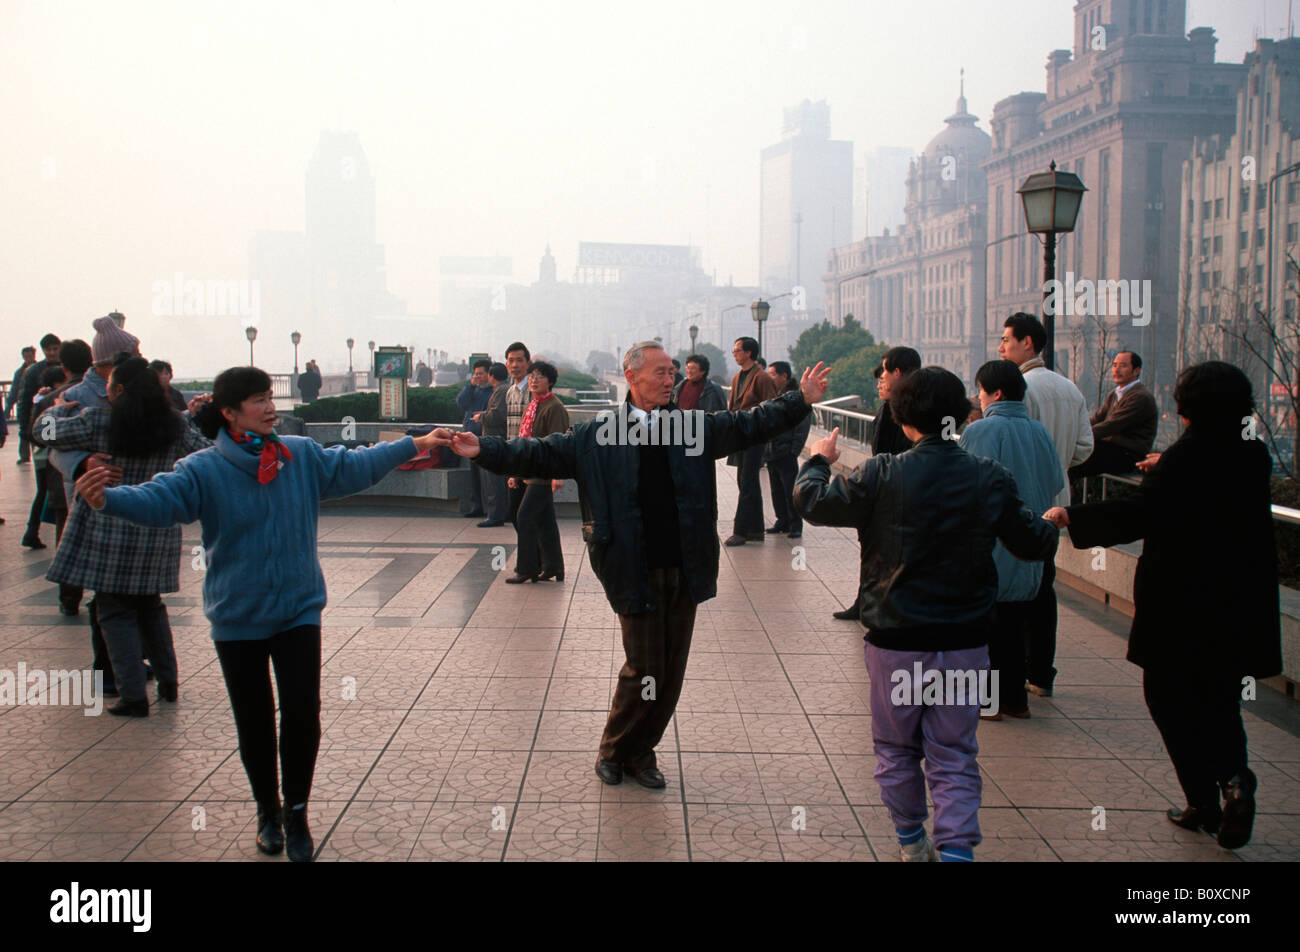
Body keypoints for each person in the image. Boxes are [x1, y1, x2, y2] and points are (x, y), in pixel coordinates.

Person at [75, 366, 439, 862]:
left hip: (297, 611)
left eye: (270, 397)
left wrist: (415, 443)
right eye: (257, 400)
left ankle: (297, 812)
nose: (270, 407)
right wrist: (107, 499)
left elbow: (355, 464)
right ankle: (267, 812)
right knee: (254, 722)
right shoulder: (204, 469)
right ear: (229, 413)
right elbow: (159, 499)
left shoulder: (299, 455)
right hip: (237, 617)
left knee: (302, 716)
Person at [434, 342, 829, 788]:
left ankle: (642, 752)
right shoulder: (599, 434)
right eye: (660, 373)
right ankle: (615, 747)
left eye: (673, 373)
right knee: (643, 666)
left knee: (671, 670)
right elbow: (536, 453)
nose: (670, 381)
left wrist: (801, 398)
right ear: (632, 375)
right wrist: (481, 449)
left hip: (685, 564)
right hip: (630, 565)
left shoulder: (691, 428)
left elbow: (750, 423)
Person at [795, 366, 1057, 862]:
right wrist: (1051, 521)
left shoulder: (881, 473)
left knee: (896, 751)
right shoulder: (989, 477)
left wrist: (817, 461)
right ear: (959, 415)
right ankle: (957, 852)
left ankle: (912, 842)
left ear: (900, 415)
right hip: (964, 642)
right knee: (954, 755)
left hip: (896, 641)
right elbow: (1033, 543)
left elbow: (813, 502)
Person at [1045, 362, 1280, 850]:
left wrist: (1075, 516)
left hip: (1182, 601)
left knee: (1167, 696)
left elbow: (1143, 514)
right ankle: (1236, 780)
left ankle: (1202, 800)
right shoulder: (1252, 454)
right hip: (1237, 601)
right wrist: (1164, 468)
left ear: (1187, 404)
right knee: (1220, 700)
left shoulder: (1185, 459)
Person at [35, 357, 211, 716]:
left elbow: (42, 433)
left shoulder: (98, 419)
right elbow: (204, 452)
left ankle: (133, 695)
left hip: (108, 531)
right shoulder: (175, 425)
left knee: (113, 611)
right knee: (151, 607)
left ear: (116, 390)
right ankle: (169, 681)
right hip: (156, 527)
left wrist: (54, 410)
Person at [958, 359, 1064, 720]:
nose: (979, 397)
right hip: (1032, 538)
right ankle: (1016, 701)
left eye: (981, 390)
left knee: (989, 626)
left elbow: (969, 488)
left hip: (994, 544)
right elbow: (1055, 483)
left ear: (996, 393)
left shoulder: (983, 430)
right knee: (1017, 623)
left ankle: (989, 704)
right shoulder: (1039, 430)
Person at [997, 312, 1093, 698]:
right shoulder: (1070, 389)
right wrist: (1060, 458)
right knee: (1044, 587)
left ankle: (1014, 676)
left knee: (1015, 591)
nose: (1001, 347)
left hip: (1022, 503)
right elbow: (1085, 448)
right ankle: (1041, 671)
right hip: (1057, 505)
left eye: (1007, 340)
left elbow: (1016, 441)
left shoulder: (1018, 388)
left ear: (1029, 344)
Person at [832, 346, 920, 621]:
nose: (880, 380)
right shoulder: (891, 406)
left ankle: (875, 604)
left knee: (886, 551)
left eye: (883, 373)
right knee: (875, 549)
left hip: (894, 488)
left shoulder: (909, 408)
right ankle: (866, 601)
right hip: (887, 486)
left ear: (896, 372)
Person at [505, 361, 569, 583]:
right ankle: (554, 566)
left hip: (543, 474)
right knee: (545, 521)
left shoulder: (555, 407)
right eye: (531, 376)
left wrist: (557, 476)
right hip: (529, 471)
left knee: (524, 517)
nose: (533, 380)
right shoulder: (532, 405)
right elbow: (524, 441)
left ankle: (527, 568)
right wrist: (515, 472)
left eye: (539, 376)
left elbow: (560, 444)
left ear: (550, 381)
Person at [1068, 351, 1158, 481]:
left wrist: (1079, 435)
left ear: (1136, 370)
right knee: (1070, 454)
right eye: (1115, 365)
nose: (1117, 370)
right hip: (1111, 448)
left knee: (1075, 456)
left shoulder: (1140, 397)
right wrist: (1075, 431)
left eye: (1123, 365)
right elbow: (1096, 419)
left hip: (1128, 454)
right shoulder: (1115, 394)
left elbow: (1111, 425)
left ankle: (1067, 495)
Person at [725, 336, 779, 546]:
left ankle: (741, 530)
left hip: (755, 436)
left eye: (737, 350)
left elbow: (772, 407)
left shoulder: (762, 378)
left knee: (747, 481)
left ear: (748, 353)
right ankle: (756, 529)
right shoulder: (738, 377)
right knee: (745, 481)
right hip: (741, 435)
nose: (735, 354)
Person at [20, 365, 67, 551]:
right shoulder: (49, 400)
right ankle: (32, 531)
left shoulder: (43, 399)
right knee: (46, 495)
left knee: (44, 494)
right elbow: (47, 438)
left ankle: (32, 531)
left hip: (43, 456)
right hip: (48, 458)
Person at [763, 361, 812, 539]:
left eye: (773, 374)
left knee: (789, 490)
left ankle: (795, 524)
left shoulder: (794, 397)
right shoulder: (773, 394)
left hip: (786, 451)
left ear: (784, 376)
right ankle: (782, 521)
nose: (770, 377)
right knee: (776, 490)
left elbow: (802, 426)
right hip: (772, 451)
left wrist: (794, 450)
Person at [473, 362, 510, 527]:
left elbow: (497, 415)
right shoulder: (504, 389)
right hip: (497, 440)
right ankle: (499, 513)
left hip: (494, 440)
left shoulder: (501, 391)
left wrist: (480, 417)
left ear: (491, 376)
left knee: (494, 481)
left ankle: (495, 515)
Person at [456, 359, 494, 519]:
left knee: (487, 477)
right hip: (469, 437)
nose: (478, 376)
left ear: (489, 373)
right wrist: (470, 386)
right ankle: (476, 505)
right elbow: (460, 403)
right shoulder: (473, 390)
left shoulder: (493, 391)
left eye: (481, 373)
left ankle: (489, 509)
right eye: (476, 373)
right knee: (474, 475)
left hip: (484, 438)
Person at [15, 334, 62, 466]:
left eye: (55, 349)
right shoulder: (33, 371)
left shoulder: (69, 366)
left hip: (63, 421)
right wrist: (24, 429)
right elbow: (25, 401)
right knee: (43, 463)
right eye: (48, 349)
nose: (52, 353)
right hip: (44, 421)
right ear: (43, 350)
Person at [502, 342, 532, 527]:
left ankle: (534, 555)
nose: (515, 365)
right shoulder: (510, 392)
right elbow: (510, 430)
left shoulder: (533, 391)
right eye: (511, 361)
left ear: (528, 363)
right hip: (514, 460)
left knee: (525, 517)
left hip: (529, 461)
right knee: (516, 515)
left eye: (519, 360)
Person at [8, 346, 36, 463]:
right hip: (24, 405)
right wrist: (8, 407)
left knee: (40, 428)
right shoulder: (19, 373)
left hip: (37, 405)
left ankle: (41, 453)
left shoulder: (40, 369)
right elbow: (14, 390)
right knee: (23, 430)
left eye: (30, 356)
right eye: (26, 356)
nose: (28, 359)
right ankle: (24, 456)